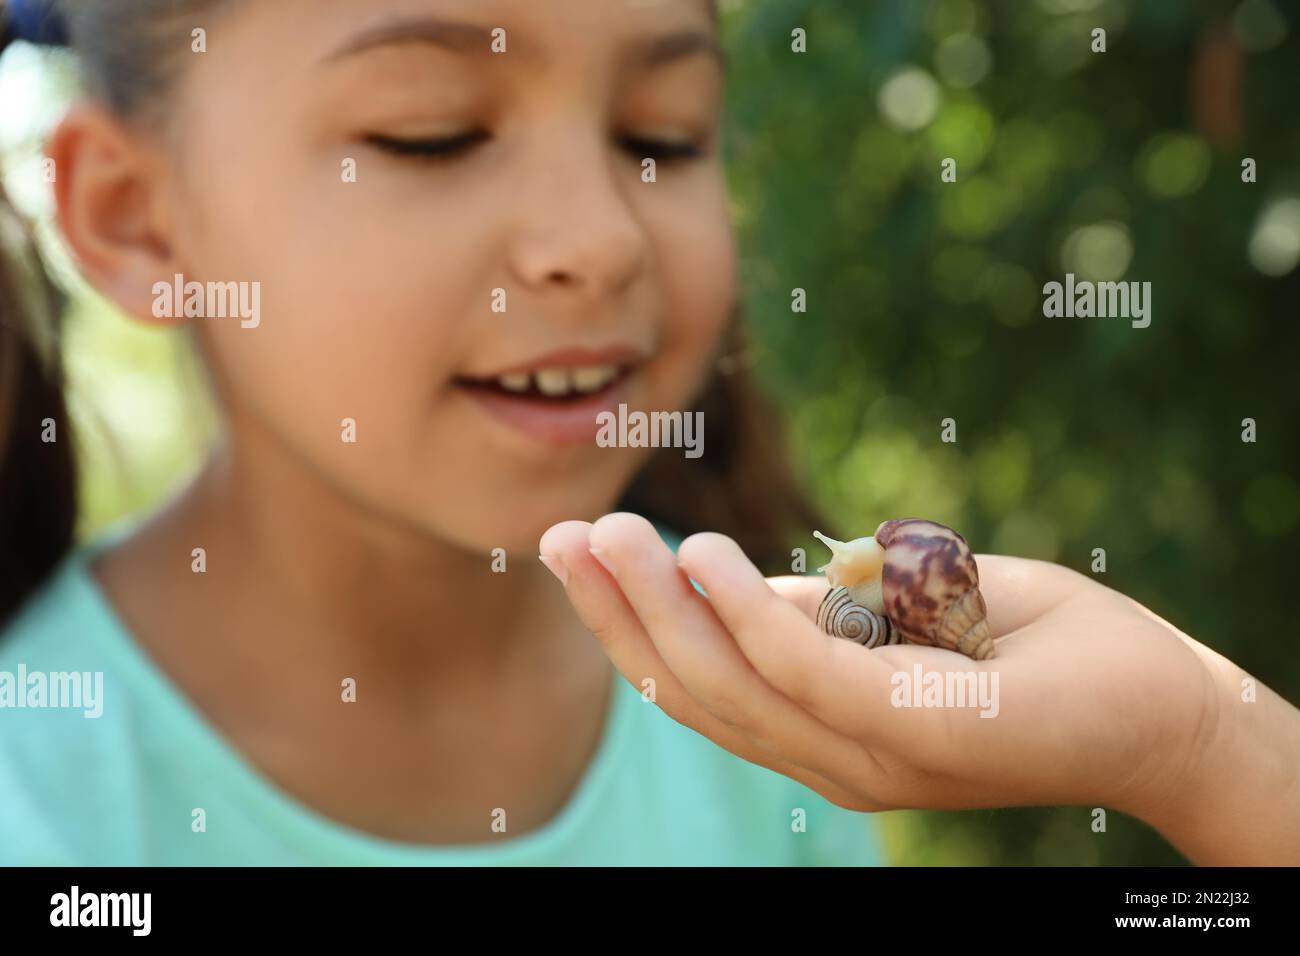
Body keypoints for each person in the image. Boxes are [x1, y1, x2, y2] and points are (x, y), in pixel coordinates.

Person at [0, 0, 880, 864]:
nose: (604, 238)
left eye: (662, 138)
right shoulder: (35, 787)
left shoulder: (767, 701)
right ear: (134, 214)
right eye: (432, 134)